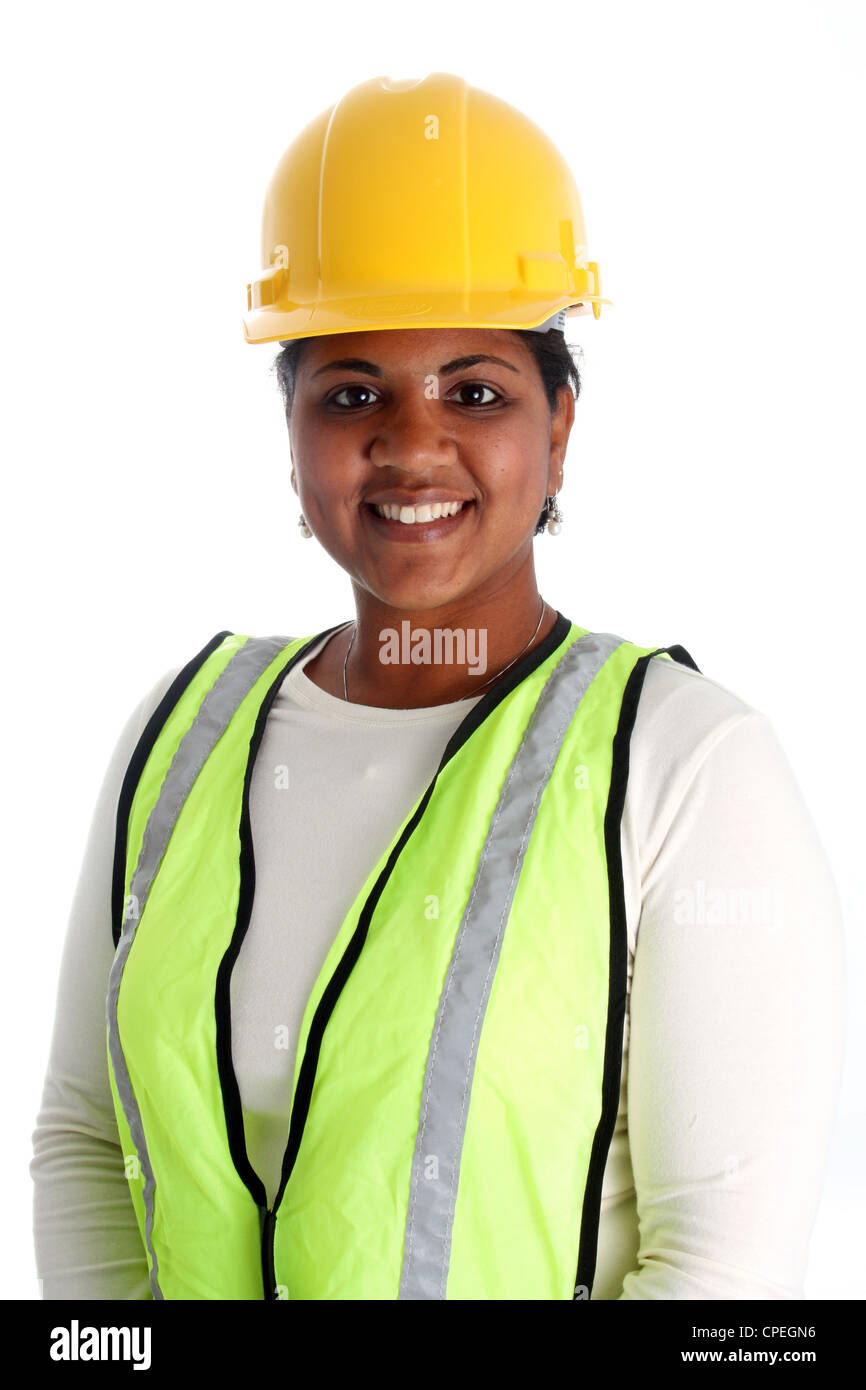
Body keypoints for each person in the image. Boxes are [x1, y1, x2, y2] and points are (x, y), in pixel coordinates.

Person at [30, 72, 845, 1301]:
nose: (412, 445)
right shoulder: (181, 736)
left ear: (558, 425)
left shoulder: (684, 767)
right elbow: (85, 1143)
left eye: (475, 391)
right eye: (352, 393)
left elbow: (722, 1282)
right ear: (292, 429)